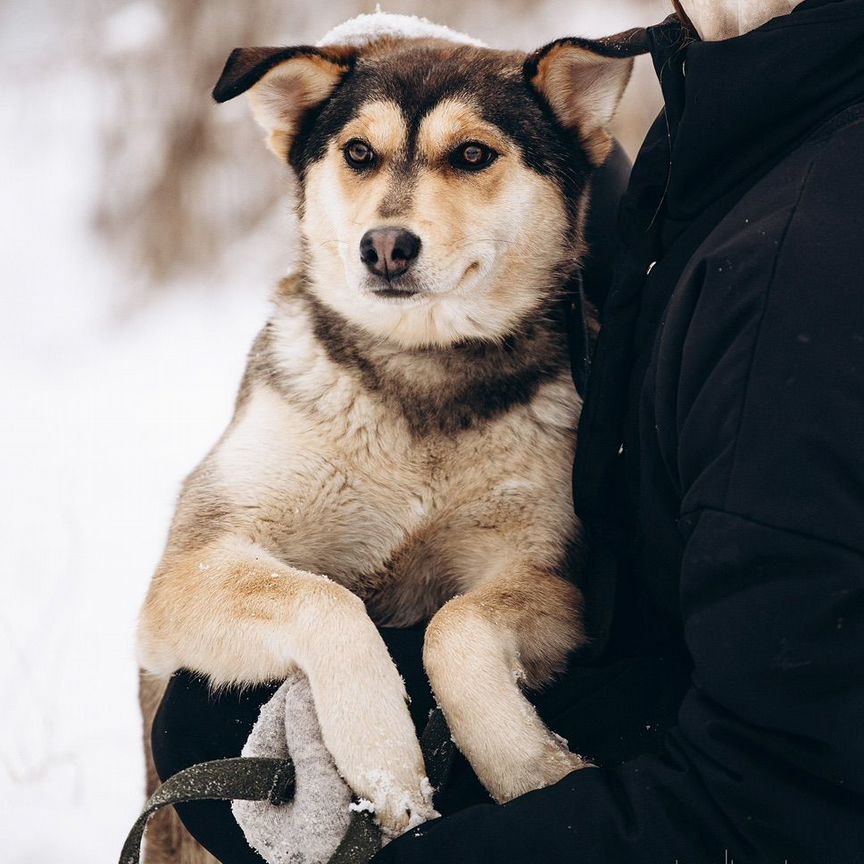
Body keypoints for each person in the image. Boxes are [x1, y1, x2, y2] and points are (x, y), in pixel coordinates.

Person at [153, 1, 864, 862]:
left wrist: (472, 660)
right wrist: (325, 631)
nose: (393, 221)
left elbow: (557, 604)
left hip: (700, 759)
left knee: (206, 727)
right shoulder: (721, 124)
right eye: (360, 157)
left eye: (471, 159)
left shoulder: (795, 251)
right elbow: (179, 600)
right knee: (198, 719)